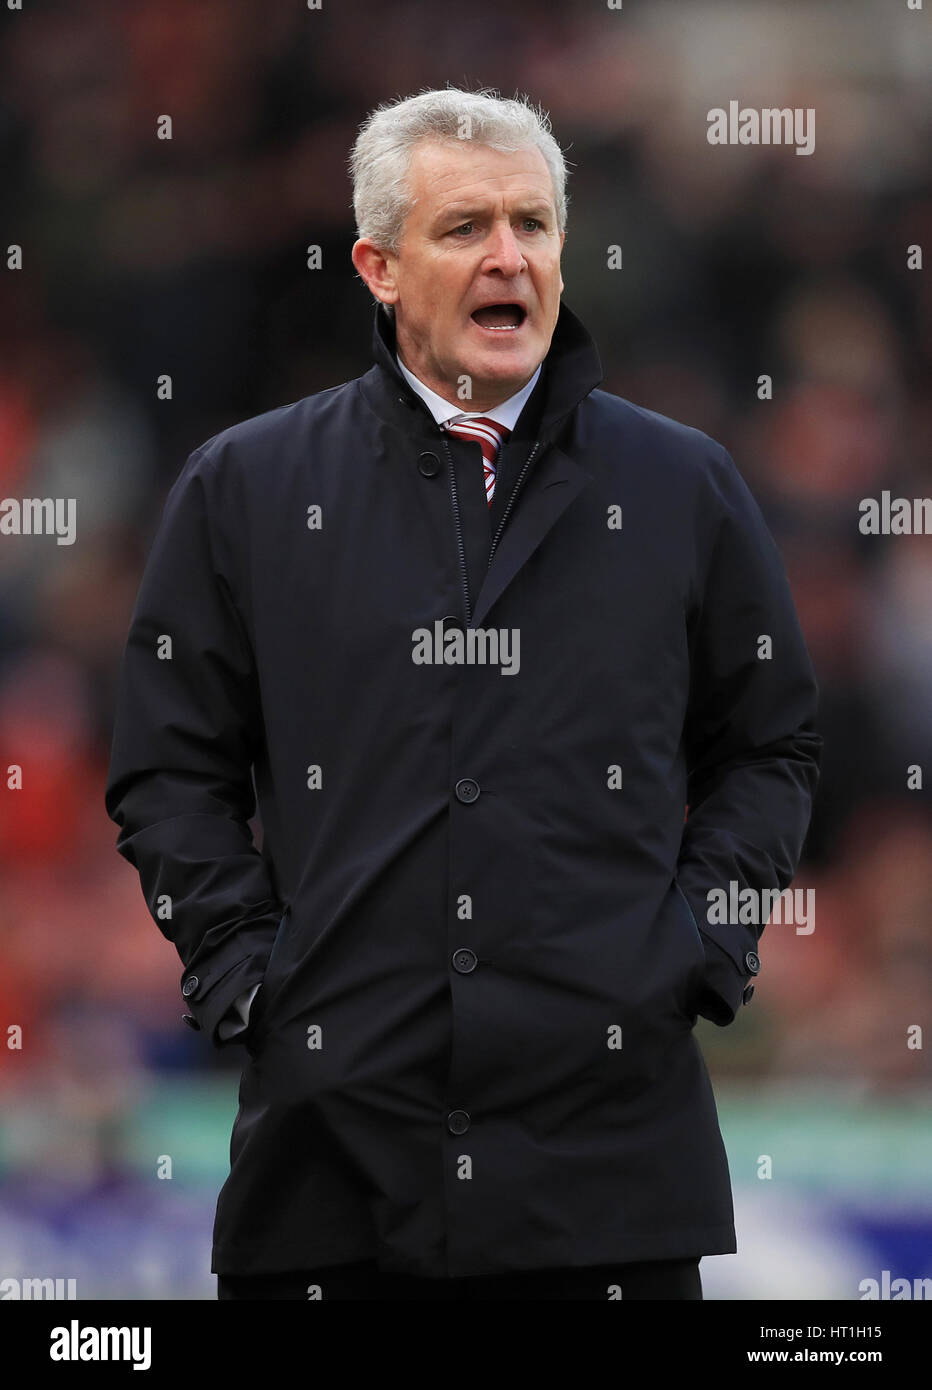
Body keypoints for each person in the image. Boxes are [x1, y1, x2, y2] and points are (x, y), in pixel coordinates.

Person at [105, 86, 821, 1301]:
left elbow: (773, 748)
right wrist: (246, 975)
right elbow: (171, 770)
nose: (510, 257)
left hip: (611, 1184)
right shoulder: (248, 487)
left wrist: (700, 944)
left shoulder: (679, 483)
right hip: (329, 1181)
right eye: (465, 228)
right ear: (377, 266)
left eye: (532, 226)